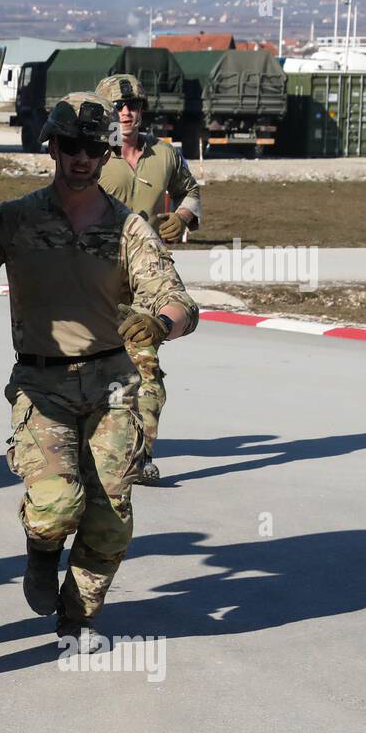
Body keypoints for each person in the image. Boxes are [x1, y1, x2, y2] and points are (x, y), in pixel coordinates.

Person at [0, 92, 198, 646]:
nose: (82, 158)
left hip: (114, 383)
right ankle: (41, 551)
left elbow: (177, 300)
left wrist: (160, 326)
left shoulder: (128, 227)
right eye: (71, 147)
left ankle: (77, 617)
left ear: (105, 155)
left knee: (109, 515)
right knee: (57, 505)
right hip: (43, 381)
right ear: (52, 148)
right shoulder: (18, 219)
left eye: (93, 149)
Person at [95, 73, 203, 485]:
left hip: (148, 278)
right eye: (119, 106)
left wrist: (182, 216)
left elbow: (191, 190)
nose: (126, 112)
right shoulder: (93, 155)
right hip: (97, 276)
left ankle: (139, 455)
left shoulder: (165, 155)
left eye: (134, 105)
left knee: (145, 366)